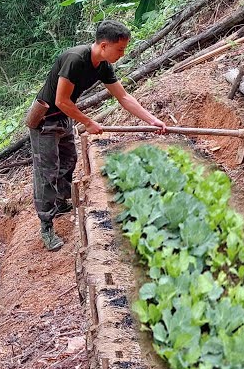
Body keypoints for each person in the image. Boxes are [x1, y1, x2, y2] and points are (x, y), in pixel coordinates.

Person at [26, 20, 167, 251]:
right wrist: (89, 122)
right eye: (120, 49)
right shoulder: (75, 59)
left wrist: (152, 120)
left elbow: (124, 97)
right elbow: (61, 100)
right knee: (46, 172)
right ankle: (46, 224)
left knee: (69, 160)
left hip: (63, 117)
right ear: (104, 45)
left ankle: (60, 203)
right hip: (45, 120)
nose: (122, 54)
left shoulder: (102, 66)